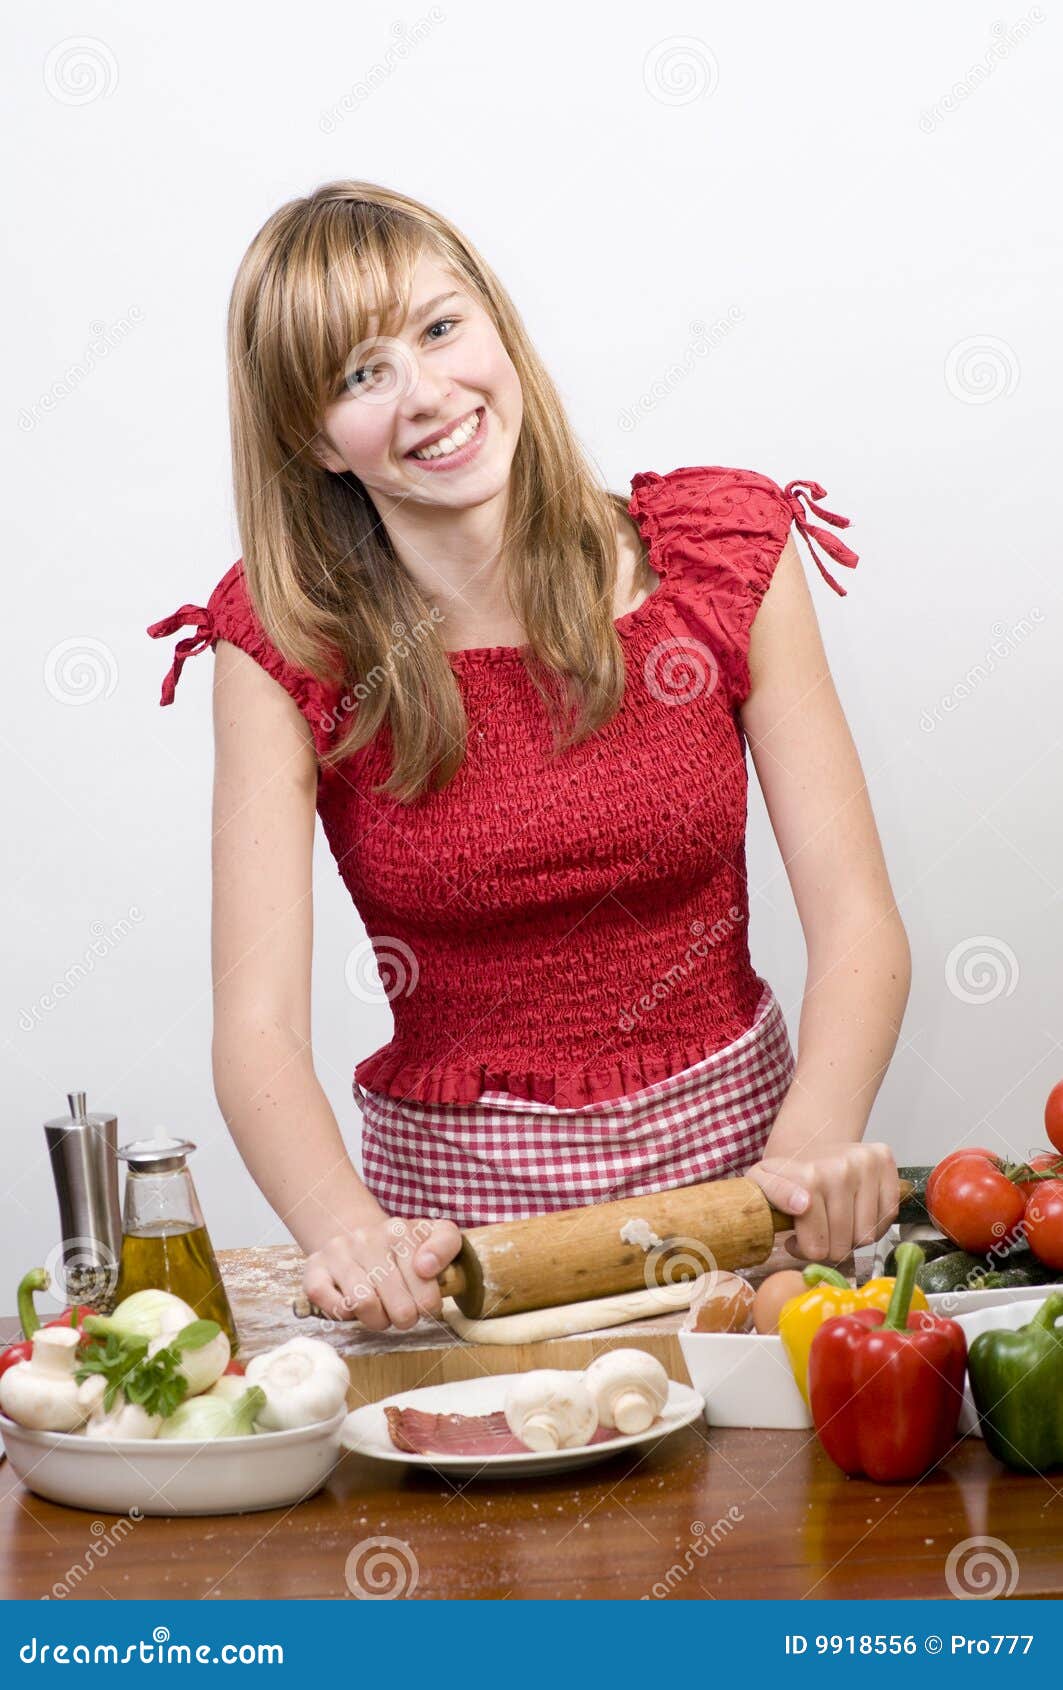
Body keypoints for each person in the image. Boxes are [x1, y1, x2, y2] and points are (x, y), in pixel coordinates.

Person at [148, 180, 911, 1334]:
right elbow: (256, 1026)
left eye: (441, 328)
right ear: (311, 437)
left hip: (741, 1204)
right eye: (360, 374)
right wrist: (349, 1233)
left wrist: (805, 1158)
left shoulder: (718, 557)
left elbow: (858, 919)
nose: (427, 394)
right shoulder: (285, 647)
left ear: (495, 323)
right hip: (462, 1258)